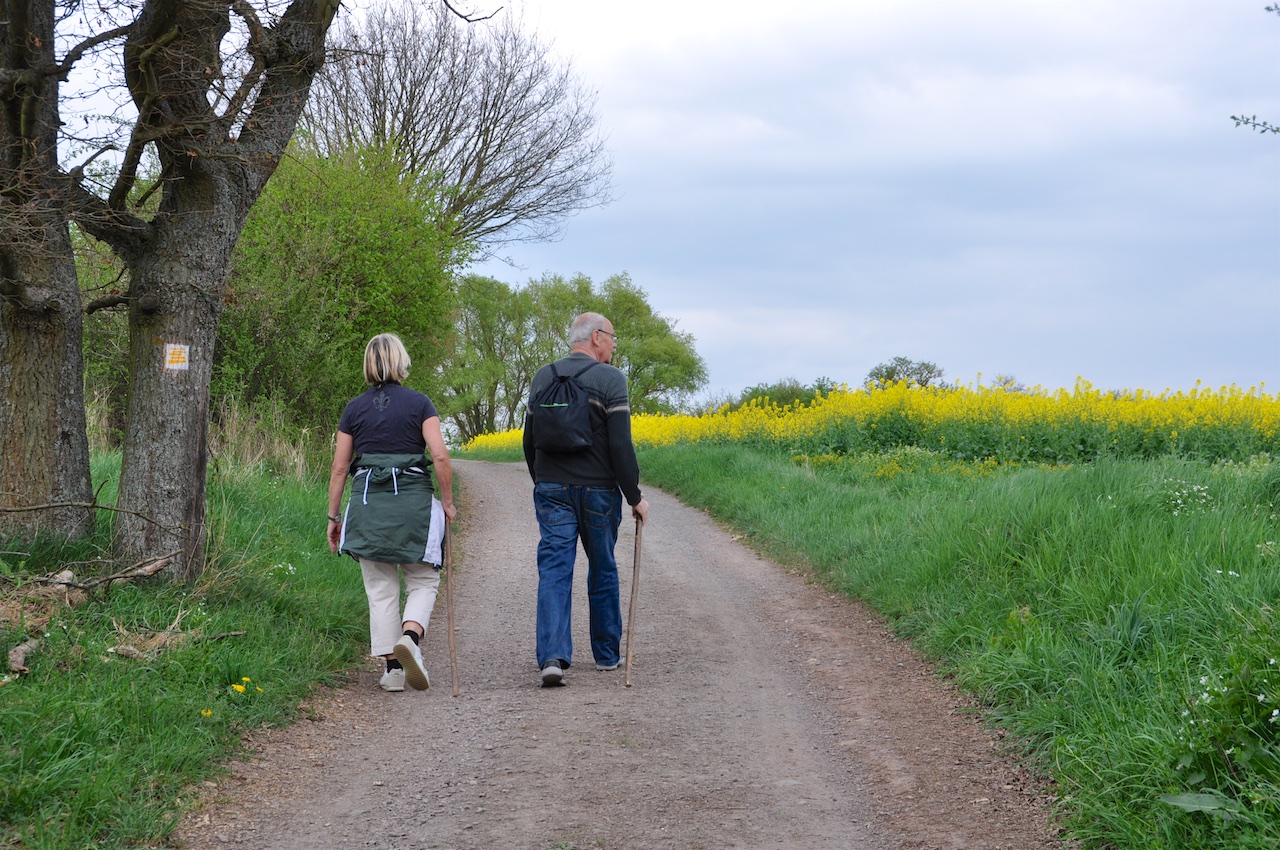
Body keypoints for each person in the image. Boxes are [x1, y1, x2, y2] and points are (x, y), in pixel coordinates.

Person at [523, 312, 650, 687]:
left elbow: (529, 442)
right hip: (598, 491)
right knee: (603, 567)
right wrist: (635, 496)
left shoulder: (542, 376)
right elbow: (619, 444)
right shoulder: (611, 379)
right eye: (612, 337)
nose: (613, 344)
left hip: (551, 490)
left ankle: (552, 657)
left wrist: (542, 481)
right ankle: (607, 656)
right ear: (596, 337)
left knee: (555, 569)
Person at [327, 333, 456, 692]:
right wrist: (446, 502)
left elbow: (340, 469)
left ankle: (394, 672)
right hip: (412, 504)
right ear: (401, 362)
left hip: (368, 506)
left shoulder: (353, 409)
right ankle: (411, 638)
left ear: (368, 364)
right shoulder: (420, 404)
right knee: (423, 579)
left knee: (381, 589)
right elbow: (441, 456)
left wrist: (333, 518)